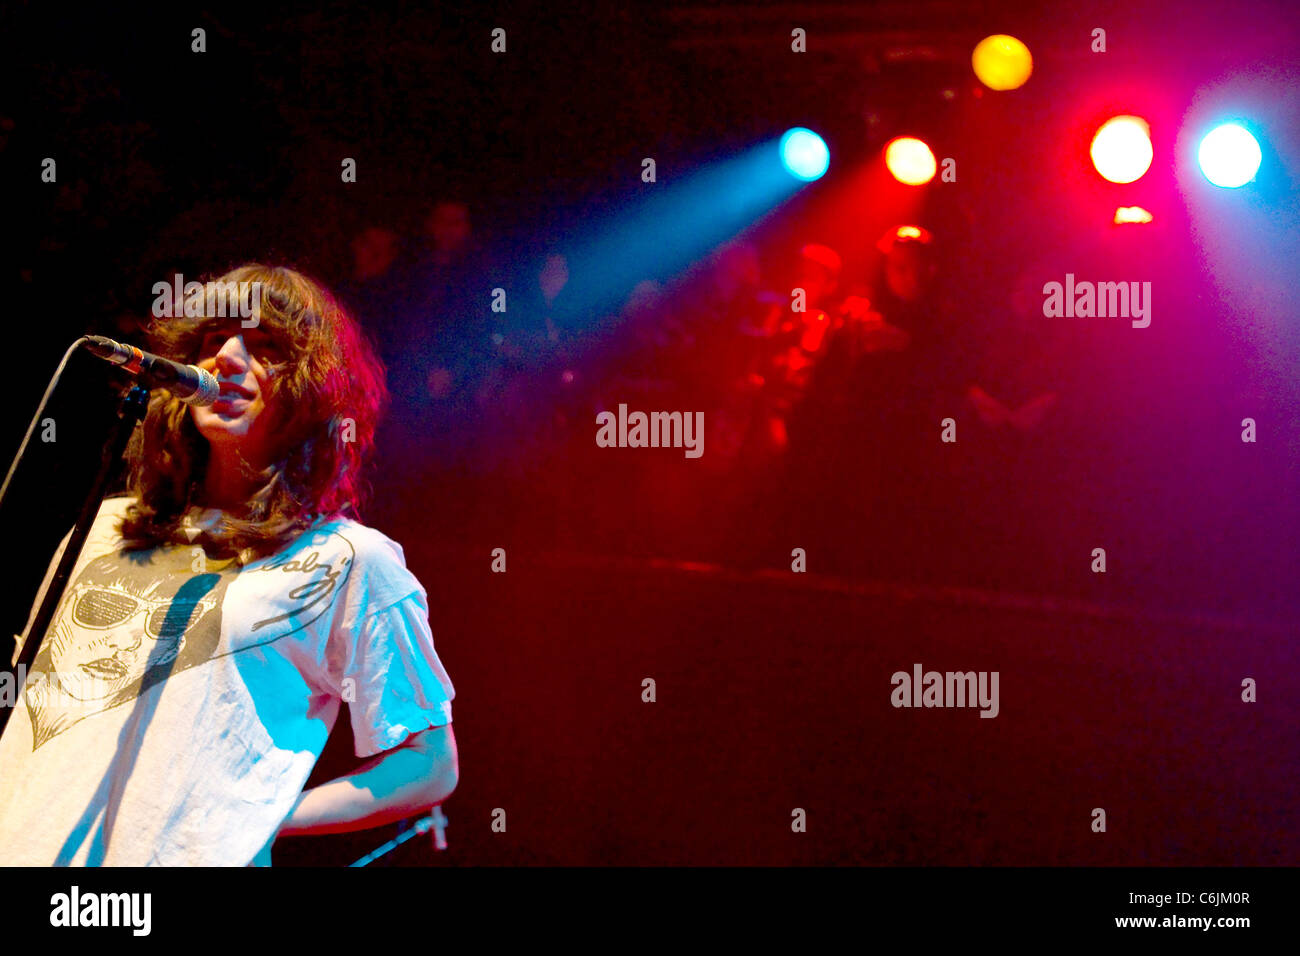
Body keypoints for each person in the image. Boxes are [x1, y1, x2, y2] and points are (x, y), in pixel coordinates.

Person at [0, 264, 458, 866]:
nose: (228, 358)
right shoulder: (105, 526)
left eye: (265, 348)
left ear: (313, 387)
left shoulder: (349, 559)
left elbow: (430, 762)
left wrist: (261, 818)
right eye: (215, 339)